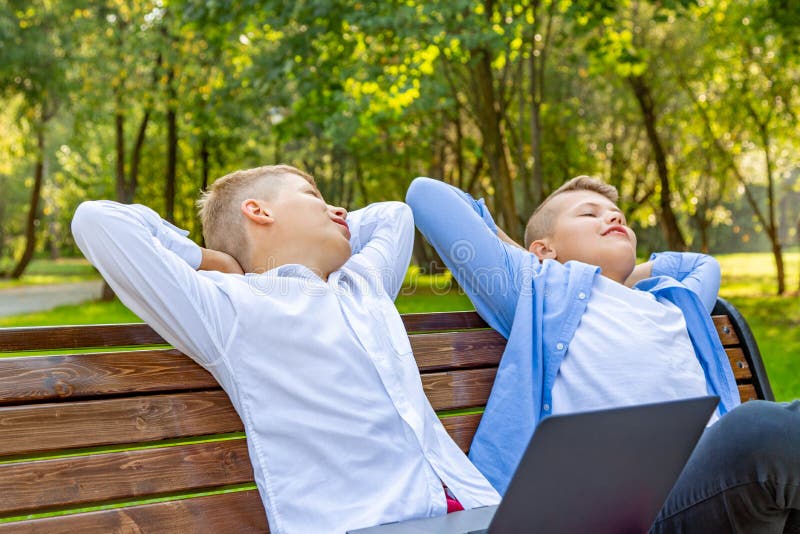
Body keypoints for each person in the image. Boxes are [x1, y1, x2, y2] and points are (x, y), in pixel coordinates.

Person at [72, 165, 500, 534]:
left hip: (473, 506)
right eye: (315, 196)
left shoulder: (363, 285)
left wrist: (325, 222)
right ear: (258, 210)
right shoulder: (228, 306)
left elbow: (395, 215)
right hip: (366, 521)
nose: (339, 211)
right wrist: (216, 260)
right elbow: (98, 221)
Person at [406, 176, 800, 533]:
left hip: (707, 491)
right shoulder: (538, 289)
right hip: (615, 517)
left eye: (618, 215)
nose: (613, 219)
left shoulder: (672, 302)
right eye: (589, 213)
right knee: (759, 430)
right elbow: (426, 195)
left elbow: (700, 264)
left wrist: (625, 274)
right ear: (543, 249)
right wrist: (527, 257)